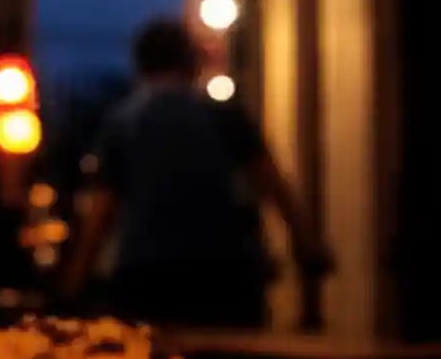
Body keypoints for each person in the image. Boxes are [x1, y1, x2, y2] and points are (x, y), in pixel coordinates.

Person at [63, 19, 332, 328]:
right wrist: (306, 243)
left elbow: (101, 212)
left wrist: (74, 282)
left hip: (146, 277)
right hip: (225, 276)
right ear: (189, 61)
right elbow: (273, 184)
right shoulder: (223, 116)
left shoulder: (121, 124)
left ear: (140, 66)